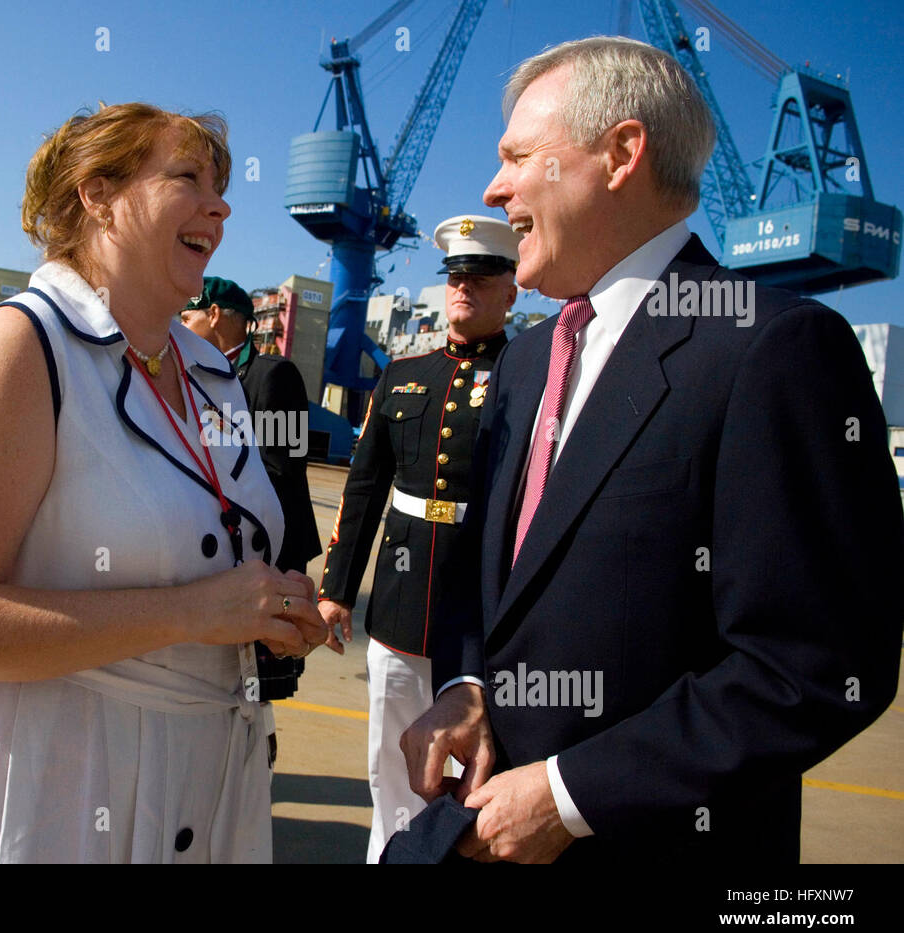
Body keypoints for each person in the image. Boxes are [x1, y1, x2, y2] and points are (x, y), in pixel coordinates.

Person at [399, 36, 904, 865]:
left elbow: (815, 665)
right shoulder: (526, 360)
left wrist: (568, 797)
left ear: (621, 153)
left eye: (518, 157)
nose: (495, 188)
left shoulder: (774, 351)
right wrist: (469, 685)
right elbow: (485, 576)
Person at [0, 102, 327, 864]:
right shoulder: (19, 347)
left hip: (193, 780)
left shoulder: (212, 379)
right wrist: (197, 611)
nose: (221, 204)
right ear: (98, 194)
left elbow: (223, 535)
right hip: (42, 790)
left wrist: (269, 604)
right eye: (188, 177)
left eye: (221, 184)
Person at [316, 215, 520, 863]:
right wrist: (337, 592)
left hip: (487, 619)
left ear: (511, 290)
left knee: (480, 778)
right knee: (390, 762)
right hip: (400, 612)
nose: (465, 289)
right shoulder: (404, 374)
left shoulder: (528, 377)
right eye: (457, 277)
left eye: (482, 278)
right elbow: (364, 488)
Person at [181, 275, 322, 753]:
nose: (181, 324)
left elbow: (283, 466)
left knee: (259, 684)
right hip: (225, 547)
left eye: (188, 316)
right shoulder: (195, 376)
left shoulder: (272, 375)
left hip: (271, 550)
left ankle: (256, 762)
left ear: (215, 314)